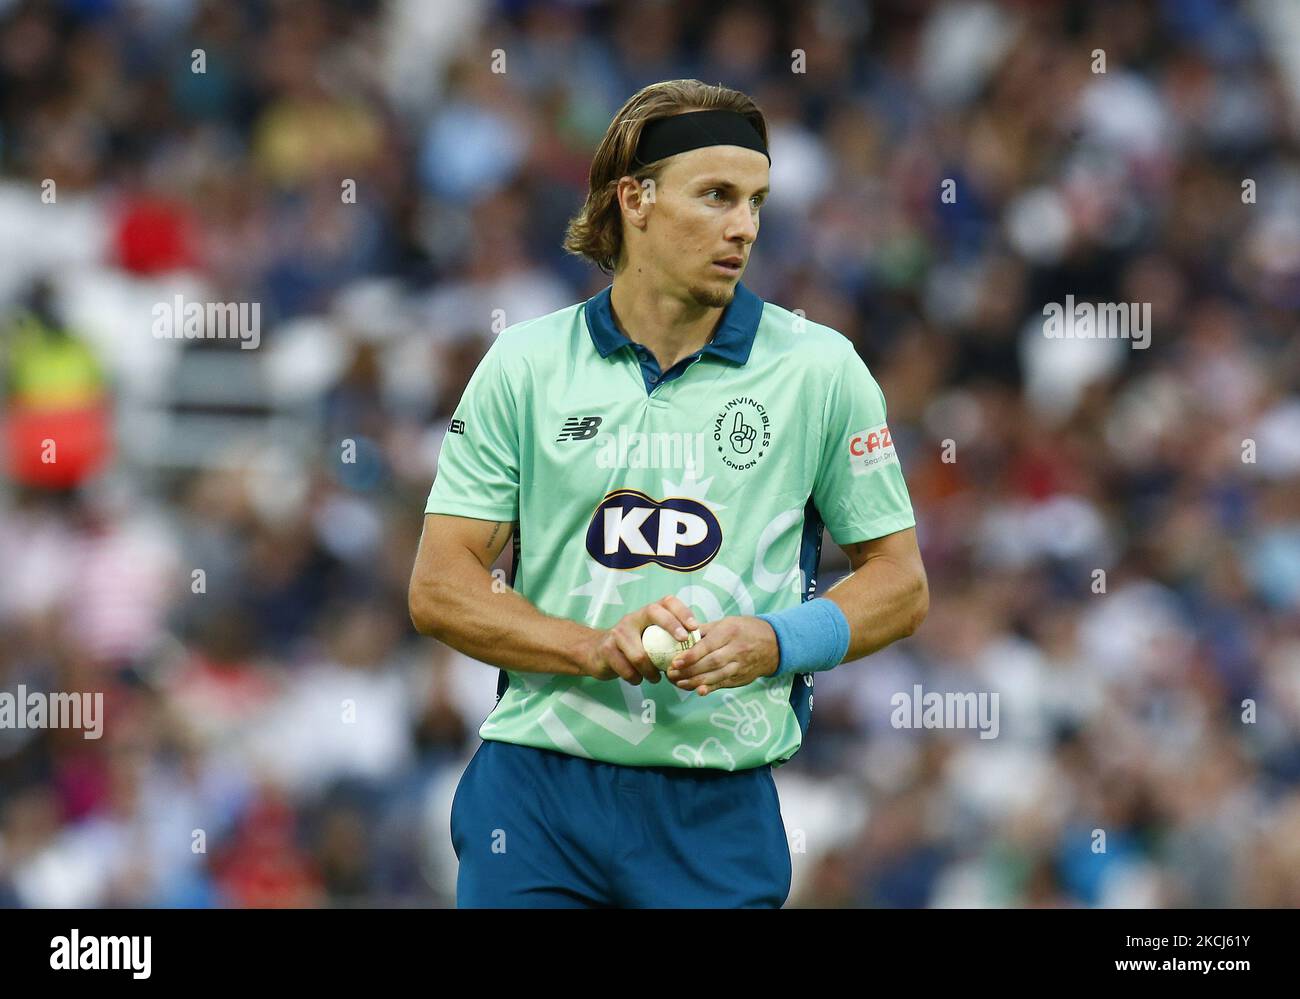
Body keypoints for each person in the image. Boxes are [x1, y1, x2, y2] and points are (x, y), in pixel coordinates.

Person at [408, 79, 928, 908]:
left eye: (756, 201)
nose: (744, 226)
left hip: (715, 808)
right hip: (537, 795)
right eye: (716, 196)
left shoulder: (821, 371)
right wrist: (588, 646)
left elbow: (901, 583)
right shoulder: (527, 363)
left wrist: (776, 639)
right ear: (635, 198)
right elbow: (440, 586)